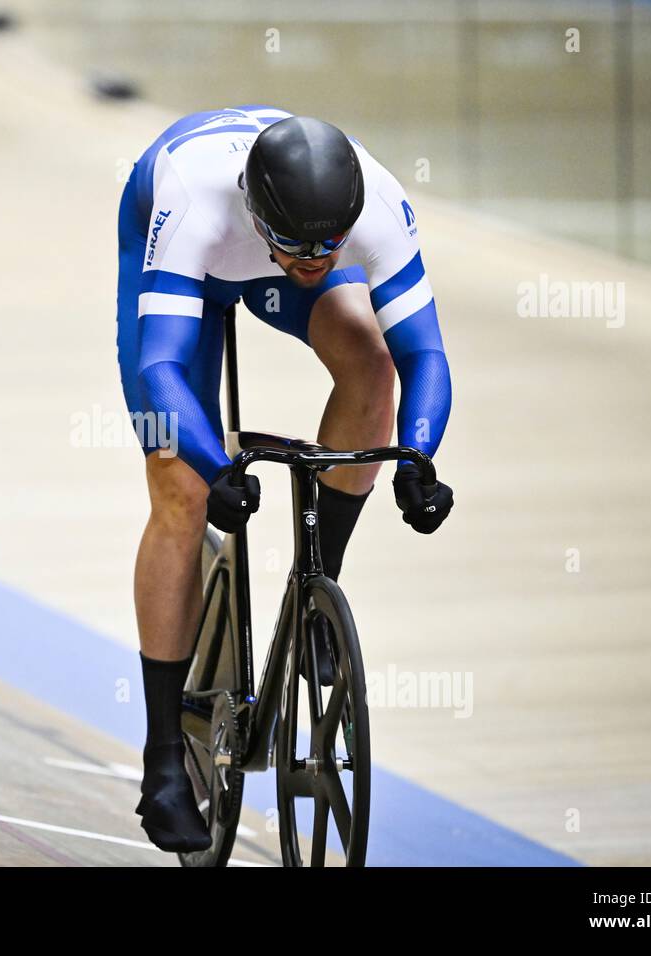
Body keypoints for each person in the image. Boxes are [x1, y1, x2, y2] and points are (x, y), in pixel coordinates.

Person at [116, 107, 454, 851]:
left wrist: (420, 456)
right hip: (189, 254)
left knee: (372, 366)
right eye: (300, 248)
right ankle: (164, 754)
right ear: (261, 215)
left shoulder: (369, 207)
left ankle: (315, 591)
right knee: (180, 491)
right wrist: (214, 467)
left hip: (256, 244)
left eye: (331, 245)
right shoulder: (193, 203)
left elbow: (424, 355)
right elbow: (160, 365)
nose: (317, 258)